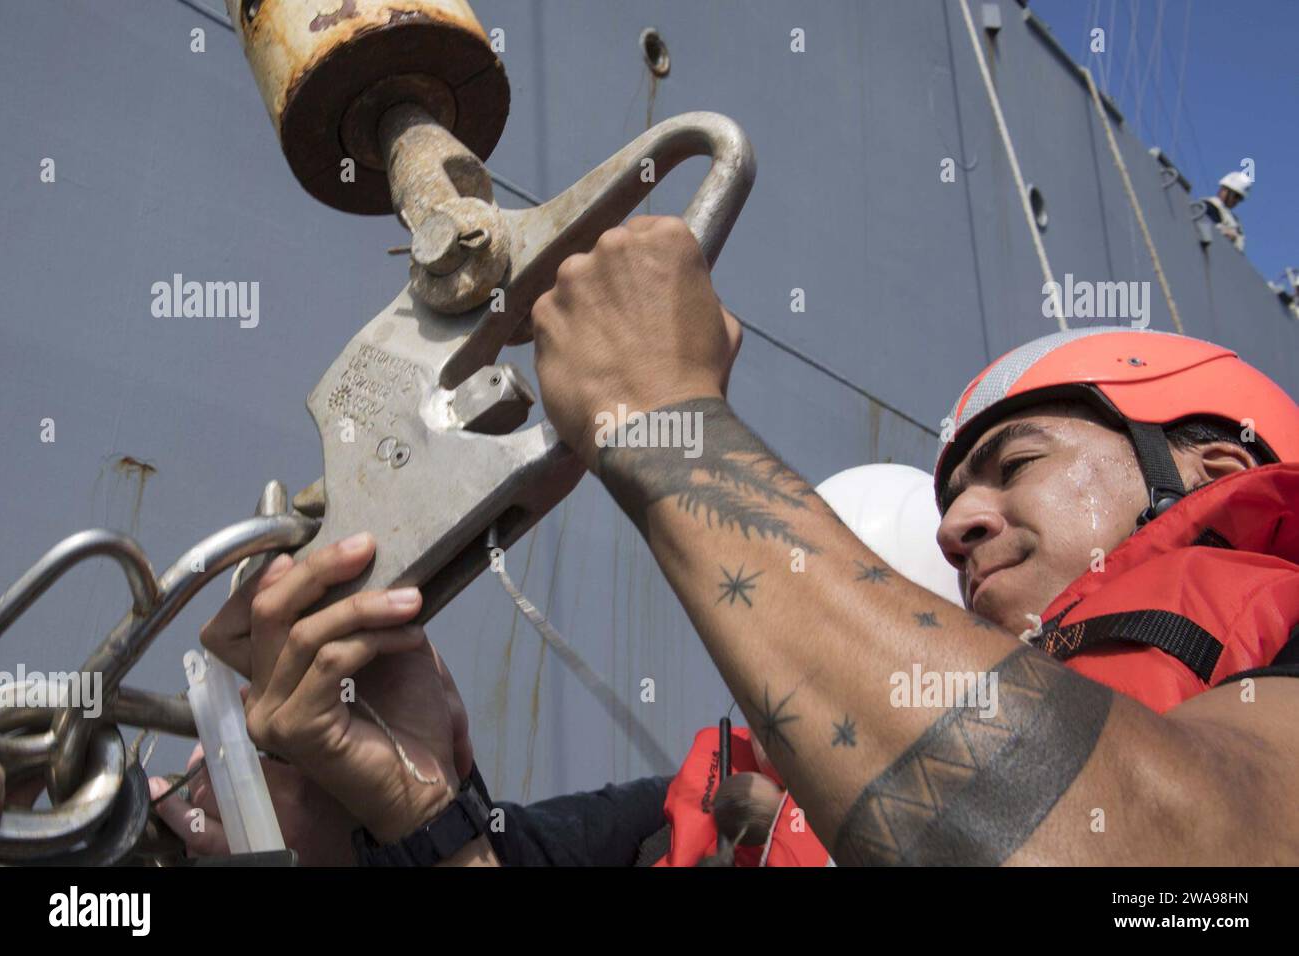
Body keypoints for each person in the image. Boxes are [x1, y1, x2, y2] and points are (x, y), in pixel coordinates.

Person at [160, 216, 1299, 866]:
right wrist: (409, 802)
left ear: (1212, 465)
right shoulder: (699, 810)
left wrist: (663, 420)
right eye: (955, 490)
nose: (958, 521)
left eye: (1019, 462)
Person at [1202, 170, 1251, 251]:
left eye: (1239, 198)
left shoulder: (1235, 222)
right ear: (1224, 190)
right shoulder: (1209, 206)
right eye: (1236, 196)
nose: (1236, 201)